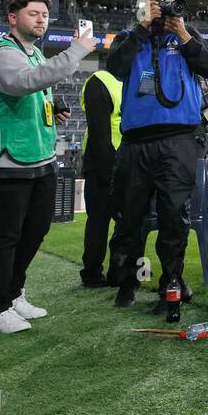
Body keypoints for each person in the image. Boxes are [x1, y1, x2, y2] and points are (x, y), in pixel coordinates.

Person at [0, 0, 95, 333]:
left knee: (36, 229)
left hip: (37, 155)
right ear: (13, 18)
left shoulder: (35, 52)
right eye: (33, 13)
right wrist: (78, 50)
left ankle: (13, 293)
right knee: (6, 233)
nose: (41, 19)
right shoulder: (3, 52)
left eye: (44, 15)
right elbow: (23, 83)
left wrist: (54, 109)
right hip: (6, 157)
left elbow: (33, 93)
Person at [107, 0, 208, 318]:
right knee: (130, 217)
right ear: (146, 6)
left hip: (178, 140)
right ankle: (129, 282)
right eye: (158, 4)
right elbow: (115, 67)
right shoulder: (130, 36)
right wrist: (142, 28)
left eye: (168, 3)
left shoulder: (185, 35)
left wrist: (182, 31)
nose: (163, 9)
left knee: (174, 217)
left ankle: (170, 283)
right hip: (137, 142)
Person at [78, 62, 124, 287]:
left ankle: (119, 269)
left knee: (123, 223)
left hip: (126, 164)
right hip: (101, 165)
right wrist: (107, 171)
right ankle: (92, 273)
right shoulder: (100, 80)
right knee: (98, 221)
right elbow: (98, 132)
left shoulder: (131, 81)